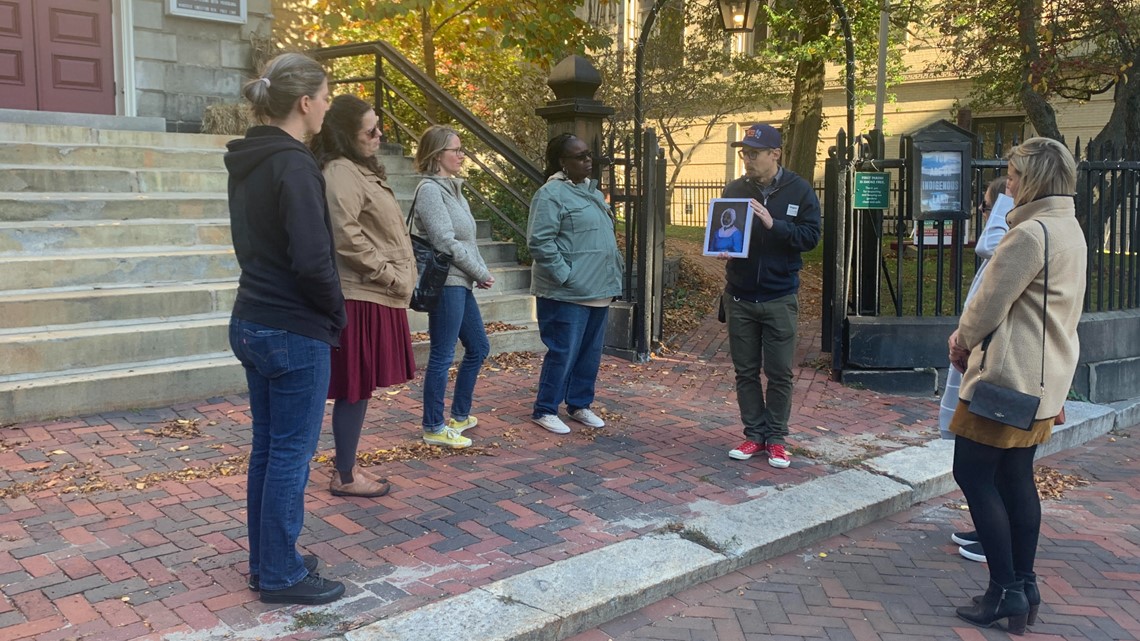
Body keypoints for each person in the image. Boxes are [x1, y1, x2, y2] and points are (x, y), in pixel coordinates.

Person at [946, 137, 1087, 633]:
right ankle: (1024, 586)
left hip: (1007, 379)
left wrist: (961, 341)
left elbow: (986, 306)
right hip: (1044, 381)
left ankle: (1004, 588)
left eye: (1013, 174)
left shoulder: (1028, 236)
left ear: (1034, 180)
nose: (1007, 183)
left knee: (974, 474)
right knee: (1015, 479)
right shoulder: (1068, 228)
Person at [224, 53, 346, 605]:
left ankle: (268, 561)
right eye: (323, 96)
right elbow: (312, 260)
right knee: (289, 455)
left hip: (252, 318)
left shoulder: (251, 158)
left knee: (269, 452)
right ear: (304, 102)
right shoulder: (295, 164)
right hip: (292, 327)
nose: (326, 106)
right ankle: (280, 573)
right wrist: (335, 314)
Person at [310, 95, 416, 498]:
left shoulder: (358, 170)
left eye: (378, 127)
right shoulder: (340, 171)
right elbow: (345, 234)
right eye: (370, 131)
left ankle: (347, 467)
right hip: (363, 293)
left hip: (376, 293)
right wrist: (387, 274)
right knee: (353, 387)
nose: (379, 135)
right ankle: (345, 474)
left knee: (360, 388)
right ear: (346, 135)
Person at [721, 124, 821, 469]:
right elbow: (725, 228)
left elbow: (811, 237)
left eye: (754, 153)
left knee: (779, 372)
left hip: (779, 296)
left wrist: (773, 224)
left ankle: (777, 439)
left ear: (774, 154)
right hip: (741, 296)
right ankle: (754, 435)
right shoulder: (735, 189)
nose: (747, 159)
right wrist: (724, 248)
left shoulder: (799, 189)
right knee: (745, 371)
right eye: (744, 153)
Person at [527, 134, 624, 434]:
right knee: (563, 352)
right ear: (562, 163)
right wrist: (566, 275)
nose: (588, 161)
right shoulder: (550, 194)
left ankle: (579, 404)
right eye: (580, 157)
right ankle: (545, 409)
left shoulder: (591, 192)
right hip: (567, 293)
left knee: (589, 353)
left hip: (598, 289)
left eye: (589, 155)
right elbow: (539, 241)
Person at [938, 175, 1011, 564]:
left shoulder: (1015, 240)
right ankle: (989, 529)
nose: (983, 214)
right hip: (986, 359)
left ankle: (998, 543)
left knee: (982, 467)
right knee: (990, 468)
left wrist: (963, 338)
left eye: (986, 206)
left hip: (999, 368)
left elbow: (988, 246)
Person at [411, 125, 493, 448]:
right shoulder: (429, 191)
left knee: (478, 347)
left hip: (462, 282)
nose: (461, 155)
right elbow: (445, 242)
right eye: (455, 150)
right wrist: (480, 271)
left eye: (462, 149)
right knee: (443, 355)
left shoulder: (454, 189)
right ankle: (433, 425)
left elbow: (467, 238)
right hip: (447, 283)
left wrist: (476, 271)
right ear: (436, 155)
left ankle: (459, 415)